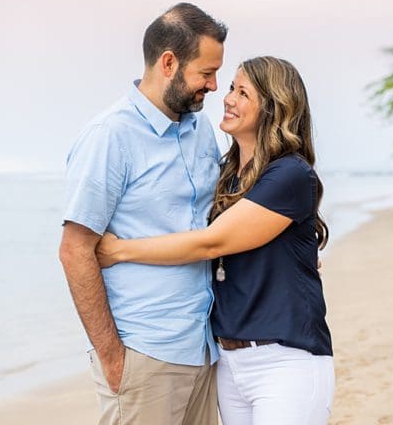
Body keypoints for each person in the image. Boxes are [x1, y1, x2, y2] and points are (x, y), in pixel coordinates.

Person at [97, 56, 335, 425]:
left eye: (243, 93)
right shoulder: (226, 175)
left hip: (286, 361)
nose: (228, 98)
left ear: (274, 108)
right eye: (231, 88)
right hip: (228, 361)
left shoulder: (289, 174)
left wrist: (119, 250)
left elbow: (210, 243)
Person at [58, 3, 228, 425]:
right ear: (169, 63)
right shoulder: (109, 136)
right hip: (144, 353)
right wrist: (113, 359)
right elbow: (74, 250)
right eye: (206, 73)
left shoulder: (201, 129)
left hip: (203, 346)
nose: (213, 85)